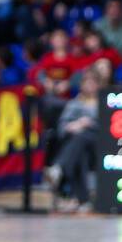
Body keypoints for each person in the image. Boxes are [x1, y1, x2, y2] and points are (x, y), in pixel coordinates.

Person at [43, 70, 102, 212]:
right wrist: (72, 126)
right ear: (81, 85)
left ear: (99, 84)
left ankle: (59, 168)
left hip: (99, 143)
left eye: (93, 82)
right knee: (79, 150)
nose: (90, 85)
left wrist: (88, 123)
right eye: (86, 81)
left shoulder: (105, 102)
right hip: (79, 143)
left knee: (80, 138)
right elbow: (62, 126)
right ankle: (84, 201)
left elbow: (110, 125)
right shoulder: (74, 103)